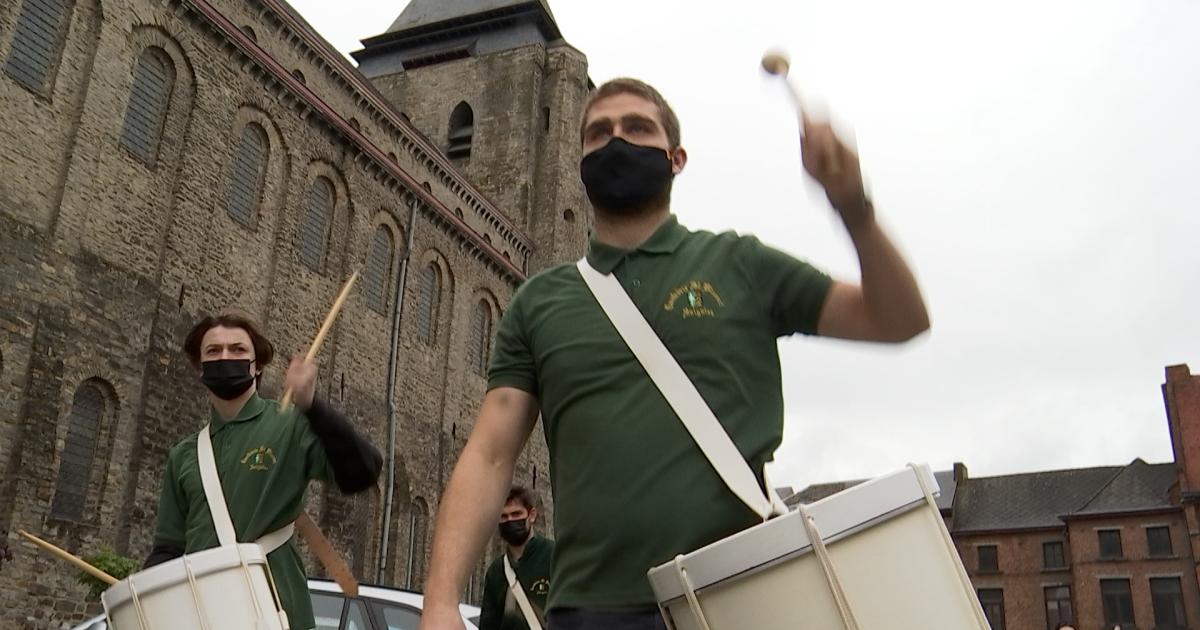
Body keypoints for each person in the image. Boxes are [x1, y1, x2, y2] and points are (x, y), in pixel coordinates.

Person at [419, 78, 930, 630]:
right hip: (590, 611)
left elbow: (898, 319)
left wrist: (852, 204)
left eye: (638, 127)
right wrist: (440, 601)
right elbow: (490, 455)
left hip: (743, 598)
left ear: (676, 159)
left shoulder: (739, 264)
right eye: (599, 133)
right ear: (580, 162)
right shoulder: (537, 302)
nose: (617, 140)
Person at [145, 312, 383, 630]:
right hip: (206, 617)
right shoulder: (183, 454)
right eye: (213, 351)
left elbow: (362, 472)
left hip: (278, 612)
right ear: (200, 367)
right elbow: (168, 549)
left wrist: (312, 406)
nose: (225, 357)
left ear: (257, 366)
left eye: (238, 349)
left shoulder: (289, 424)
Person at [479, 486, 555, 630]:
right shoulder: (496, 571)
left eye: (516, 514)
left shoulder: (554, 557)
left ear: (531, 515)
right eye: (504, 516)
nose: (510, 520)